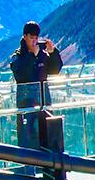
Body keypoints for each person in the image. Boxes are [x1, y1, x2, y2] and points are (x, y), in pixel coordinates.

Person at [7, 21, 63, 149]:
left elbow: (55, 69)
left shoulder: (41, 54)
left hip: (44, 102)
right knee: (28, 139)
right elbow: (21, 75)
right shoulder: (18, 56)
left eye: (36, 38)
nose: (34, 41)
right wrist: (33, 56)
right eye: (31, 38)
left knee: (47, 138)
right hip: (27, 105)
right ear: (25, 37)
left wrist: (53, 53)